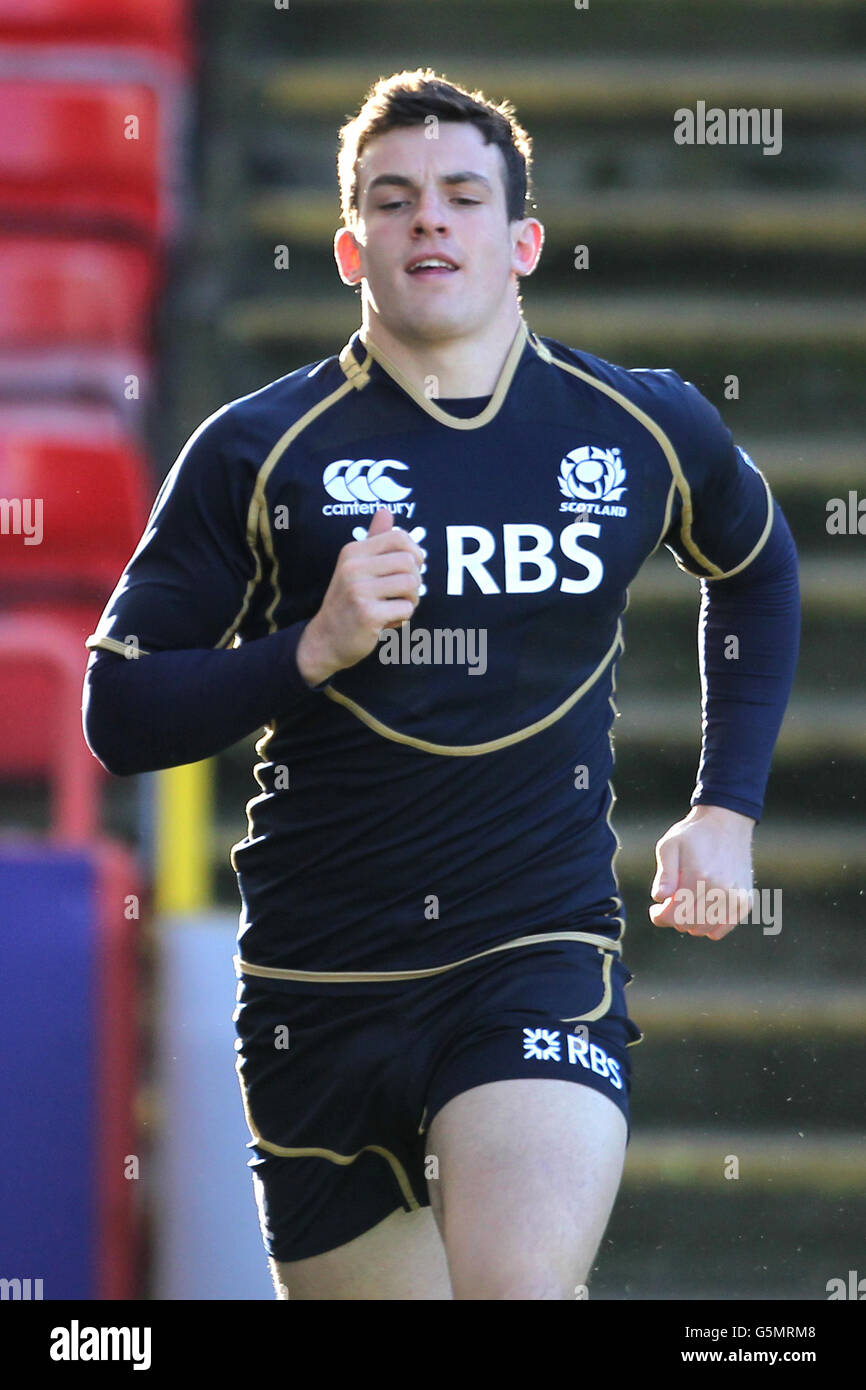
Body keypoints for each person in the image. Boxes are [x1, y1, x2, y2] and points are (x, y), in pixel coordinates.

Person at [82, 67, 800, 1300]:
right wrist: (308, 647)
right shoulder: (258, 452)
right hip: (318, 986)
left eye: (462, 197)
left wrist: (723, 806)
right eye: (394, 198)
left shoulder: (636, 427)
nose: (429, 220)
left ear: (520, 242)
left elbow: (758, 568)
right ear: (349, 247)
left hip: (532, 949)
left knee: (516, 1290)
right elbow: (121, 713)